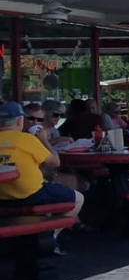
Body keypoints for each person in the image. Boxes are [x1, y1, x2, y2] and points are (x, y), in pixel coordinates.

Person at [0, 102, 85, 254]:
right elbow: (55, 162)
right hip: (31, 194)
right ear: (20, 121)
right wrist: (44, 140)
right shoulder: (27, 140)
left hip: (3, 198)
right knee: (78, 198)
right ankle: (50, 238)